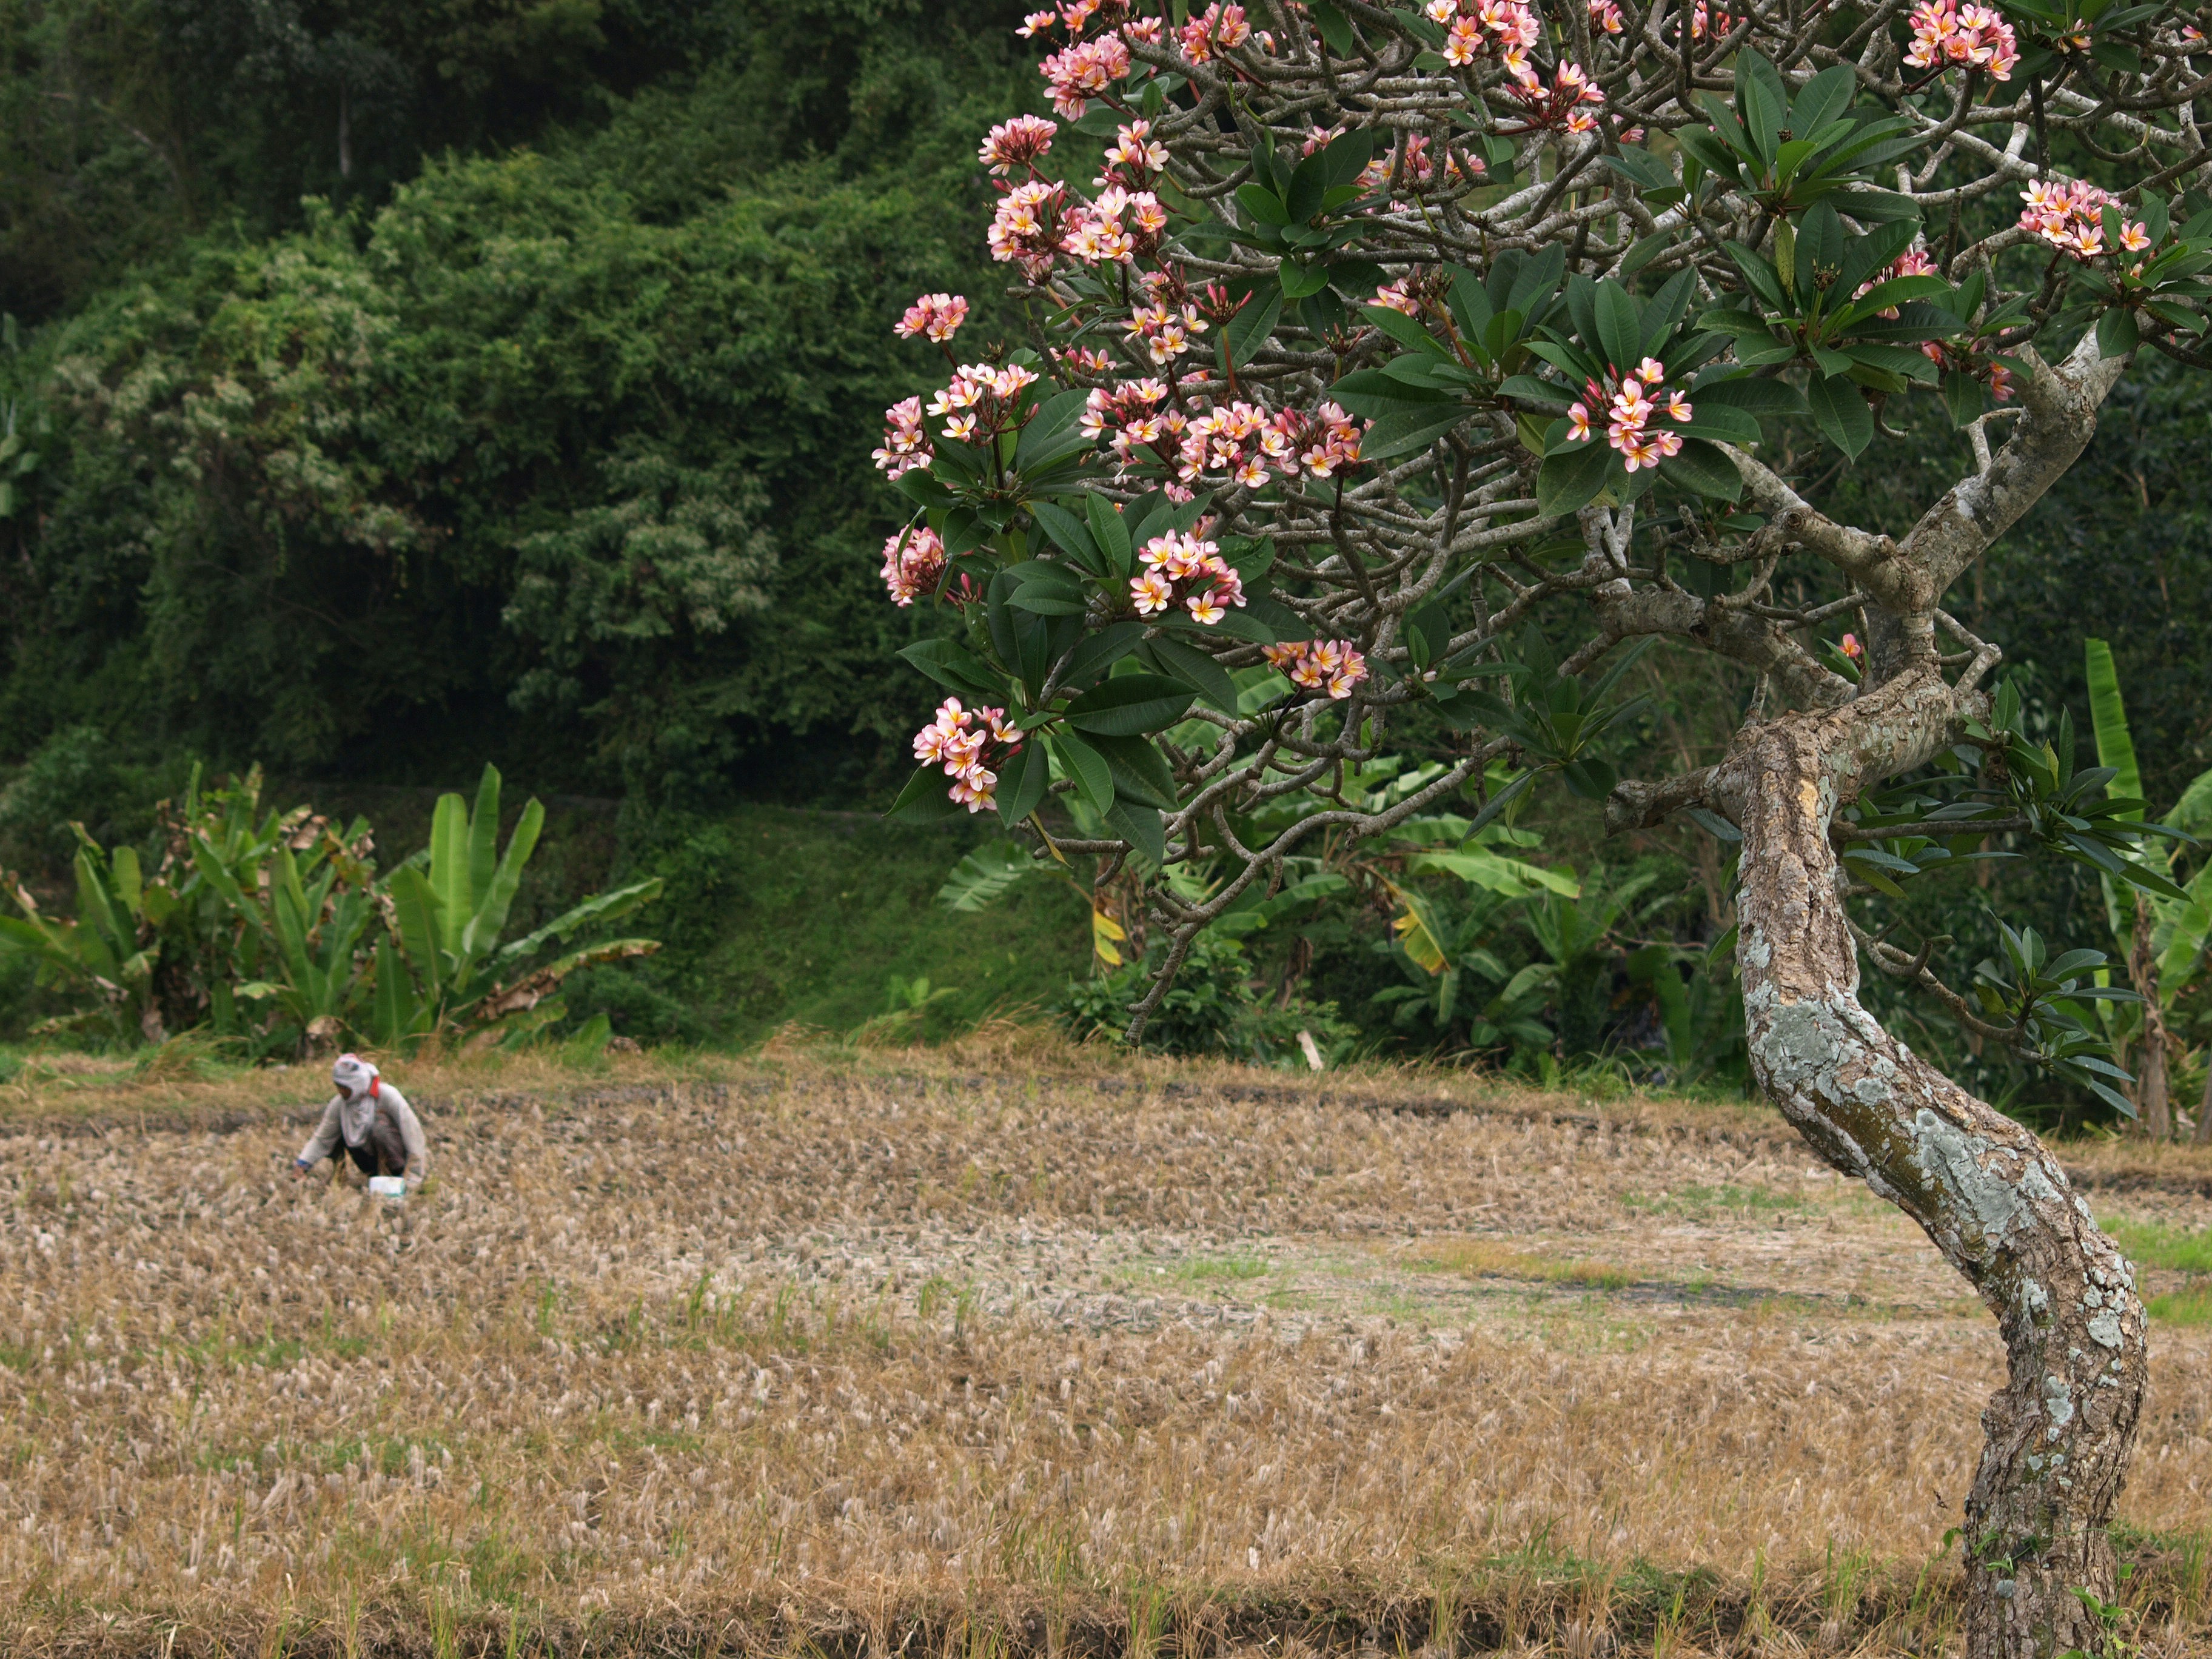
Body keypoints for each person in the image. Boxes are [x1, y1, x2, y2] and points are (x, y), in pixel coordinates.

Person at [292, 1054, 429, 1190]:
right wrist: (302, 1165)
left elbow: (413, 1134)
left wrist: (414, 1178)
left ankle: (395, 1177)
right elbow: (322, 1140)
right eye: (338, 1086)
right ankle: (342, 1180)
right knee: (334, 1134)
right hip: (368, 1162)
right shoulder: (339, 1105)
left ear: (356, 1083)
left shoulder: (388, 1096)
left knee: (379, 1127)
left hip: (396, 1160)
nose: (340, 1091)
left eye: (344, 1087)